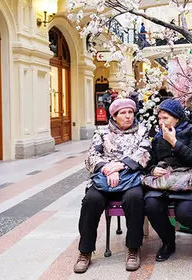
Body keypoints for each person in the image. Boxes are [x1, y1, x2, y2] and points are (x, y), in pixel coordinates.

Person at [74, 98, 151, 273]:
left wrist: (121, 165)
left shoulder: (142, 131)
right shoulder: (102, 132)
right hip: (105, 178)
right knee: (90, 201)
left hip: (130, 178)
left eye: (130, 112)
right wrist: (107, 168)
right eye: (123, 113)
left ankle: (133, 248)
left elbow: (145, 153)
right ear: (114, 116)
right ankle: (85, 251)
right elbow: (92, 155)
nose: (128, 116)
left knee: (135, 199)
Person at [144, 99, 192, 262]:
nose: (161, 122)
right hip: (166, 182)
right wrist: (153, 169)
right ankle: (168, 242)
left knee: (185, 212)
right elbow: (149, 161)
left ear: (177, 117)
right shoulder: (158, 135)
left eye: (165, 118)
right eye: (159, 118)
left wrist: (174, 142)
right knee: (151, 205)